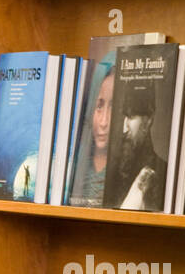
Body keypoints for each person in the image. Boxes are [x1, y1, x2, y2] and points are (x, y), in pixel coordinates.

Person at [106, 83, 166, 211]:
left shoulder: (164, 174)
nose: (124, 128)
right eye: (125, 117)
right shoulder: (111, 172)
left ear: (149, 120)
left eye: (131, 117)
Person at [67, 60, 115, 208]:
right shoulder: (72, 165)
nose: (103, 122)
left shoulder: (127, 170)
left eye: (113, 106)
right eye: (98, 106)